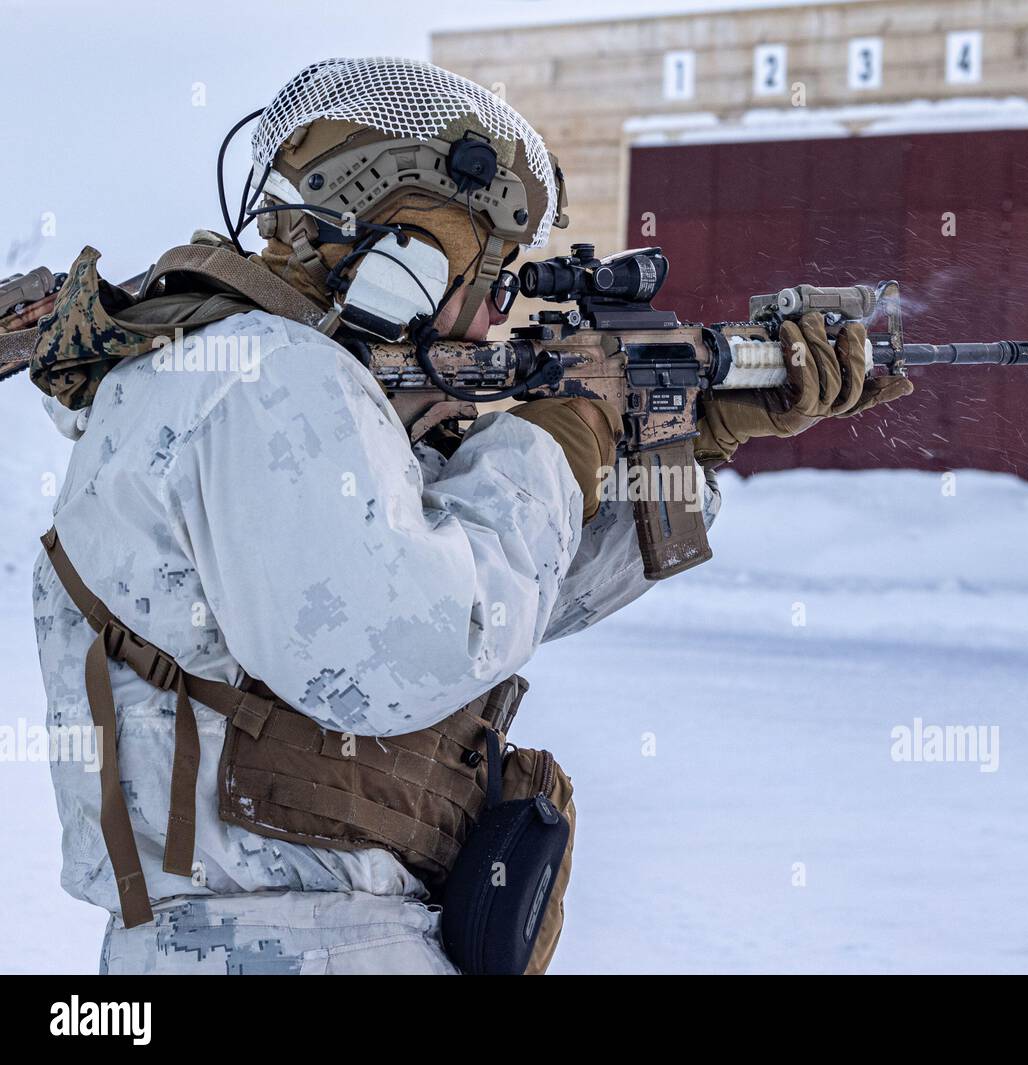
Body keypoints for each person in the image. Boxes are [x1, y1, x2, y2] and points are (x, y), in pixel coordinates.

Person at [30, 57, 911, 974]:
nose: (492, 319)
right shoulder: (261, 383)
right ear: (403, 259)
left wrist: (697, 442)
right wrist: (557, 437)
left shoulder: (262, 382)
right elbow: (414, 647)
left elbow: (516, 603)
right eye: (485, 275)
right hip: (282, 943)